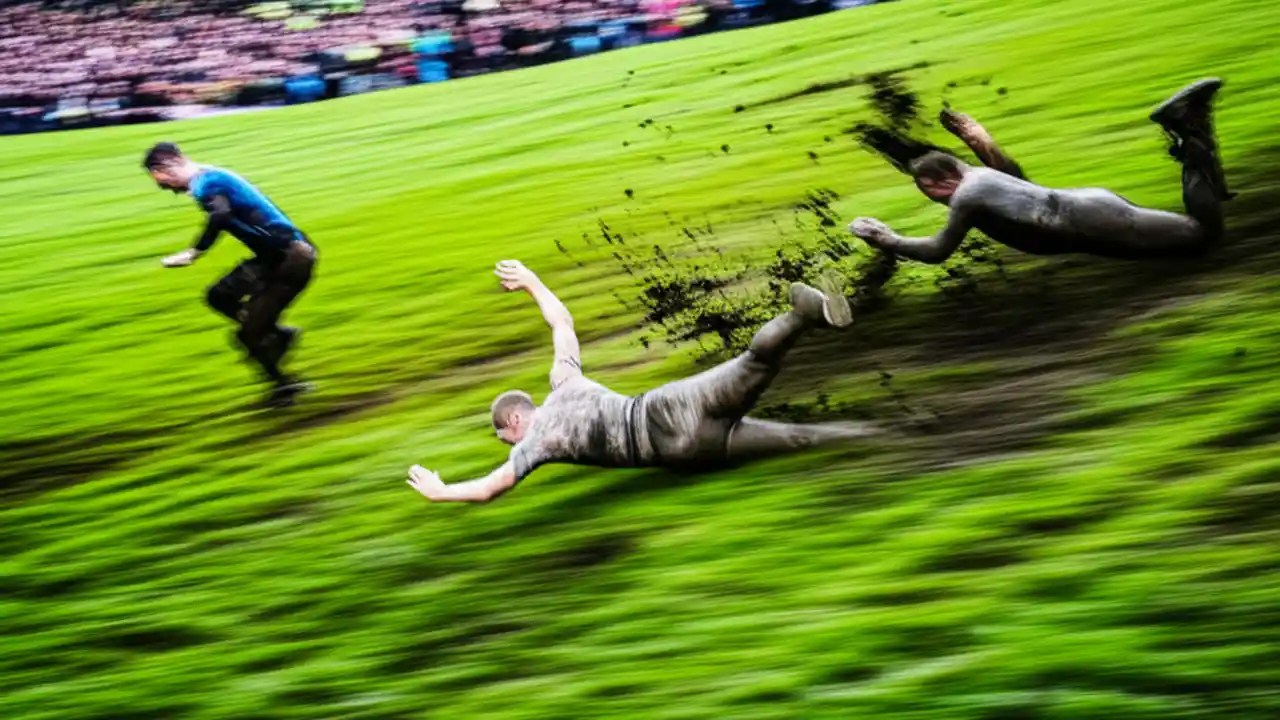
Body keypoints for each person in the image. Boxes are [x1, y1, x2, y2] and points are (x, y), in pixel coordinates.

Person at [406, 260, 876, 504]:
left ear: (514, 419)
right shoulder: (564, 381)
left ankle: (871, 437)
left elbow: (490, 488)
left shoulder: (535, 443)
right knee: (753, 364)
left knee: (796, 439)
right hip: (664, 407)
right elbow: (562, 324)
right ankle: (801, 315)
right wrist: (532, 283)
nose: (507, 444)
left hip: (675, 449)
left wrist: (441, 491)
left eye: (504, 435)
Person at [848, 78, 1232, 263]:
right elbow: (1013, 174)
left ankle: (1187, 124)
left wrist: (887, 238)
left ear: (938, 184)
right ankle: (1194, 140)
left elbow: (937, 250)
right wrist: (978, 138)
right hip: (1090, 210)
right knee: (1184, 248)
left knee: (1202, 235)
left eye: (927, 191)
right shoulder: (982, 181)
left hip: (1092, 219)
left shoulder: (967, 195)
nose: (934, 201)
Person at [143, 142, 316, 406]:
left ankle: (285, 385)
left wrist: (195, 252)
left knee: (247, 335)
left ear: (167, 166)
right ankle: (278, 333)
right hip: (271, 257)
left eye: (161, 181)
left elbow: (220, 215)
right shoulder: (212, 176)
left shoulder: (206, 184)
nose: (166, 188)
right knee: (218, 296)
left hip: (290, 260)